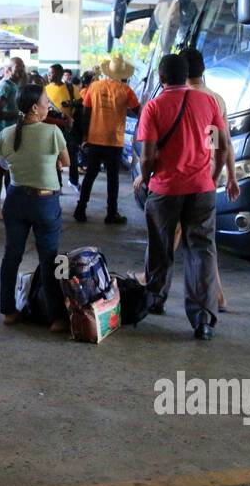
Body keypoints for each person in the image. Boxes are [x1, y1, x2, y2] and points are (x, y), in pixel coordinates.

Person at [136, 53, 233, 341]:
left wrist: (149, 175)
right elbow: (221, 145)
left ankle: (155, 300)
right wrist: (212, 178)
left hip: (165, 190)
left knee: (160, 247)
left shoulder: (154, 107)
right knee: (201, 252)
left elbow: (147, 154)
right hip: (201, 189)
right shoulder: (207, 103)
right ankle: (203, 320)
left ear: (162, 78)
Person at [0, 84, 70, 333]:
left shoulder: (7, 133)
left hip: (15, 200)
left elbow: (2, 163)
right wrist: (51, 163)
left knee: (11, 256)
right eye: (47, 101)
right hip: (45, 202)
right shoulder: (52, 132)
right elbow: (66, 162)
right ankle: (57, 318)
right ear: (35, 108)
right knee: (50, 259)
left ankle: (8, 311)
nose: (50, 105)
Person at [183, 48, 239, 310]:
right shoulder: (216, 99)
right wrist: (229, 177)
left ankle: (152, 286)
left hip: (187, 175)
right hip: (208, 175)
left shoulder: (183, 98)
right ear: (203, 70)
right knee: (205, 240)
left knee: (171, 236)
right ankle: (218, 296)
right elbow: (223, 142)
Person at [75, 54, 140, 224]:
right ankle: (111, 213)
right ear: (123, 74)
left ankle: (80, 209)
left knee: (90, 175)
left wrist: (85, 136)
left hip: (95, 138)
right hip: (114, 140)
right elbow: (138, 110)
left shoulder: (94, 87)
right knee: (113, 179)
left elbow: (86, 113)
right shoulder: (126, 90)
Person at [0, 57, 26, 219]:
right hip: (3, 134)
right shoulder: (5, 86)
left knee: (9, 170)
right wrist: (19, 114)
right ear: (9, 70)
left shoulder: (16, 85)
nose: (20, 72)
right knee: (0, 170)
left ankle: (9, 203)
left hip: (13, 133)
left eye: (22, 69)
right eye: (17, 69)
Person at [45, 63, 81, 188]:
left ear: (60, 74)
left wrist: (71, 103)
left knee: (72, 155)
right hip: (52, 127)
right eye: (48, 73)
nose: (49, 75)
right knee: (54, 156)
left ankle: (74, 180)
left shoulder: (71, 88)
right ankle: (57, 183)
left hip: (68, 127)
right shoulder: (45, 89)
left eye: (52, 73)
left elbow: (81, 103)